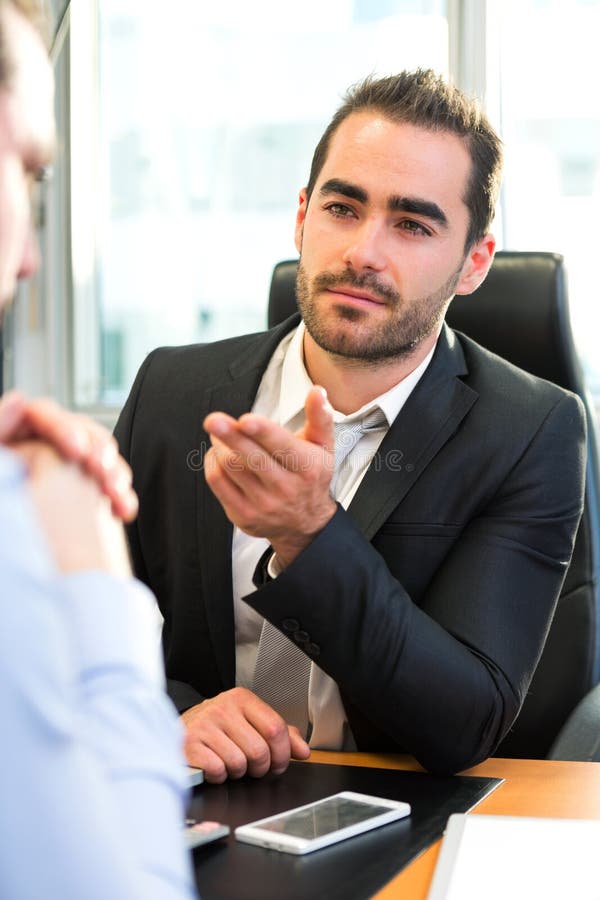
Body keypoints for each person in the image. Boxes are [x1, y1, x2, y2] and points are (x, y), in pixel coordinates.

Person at [115, 70, 587, 784]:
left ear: (475, 263)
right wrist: (163, 720)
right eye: (343, 208)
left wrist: (310, 535)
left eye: (412, 224)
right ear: (303, 218)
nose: (364, 252)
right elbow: (80, 633)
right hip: (188, 796)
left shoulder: (530, 430)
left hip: (393, 809)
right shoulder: (172, 389)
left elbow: (465, 720)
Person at [0, 2, 196, 897]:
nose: (31, 256)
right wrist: (87, 578)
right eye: (29, 171)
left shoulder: (536, 427)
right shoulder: (172, 391)